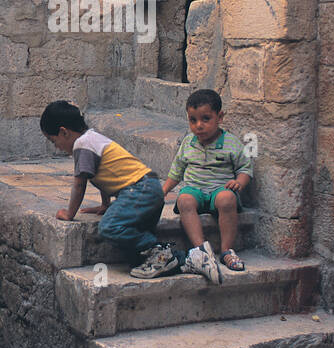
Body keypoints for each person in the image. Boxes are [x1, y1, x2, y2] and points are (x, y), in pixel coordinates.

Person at [39, 100, 180, 279]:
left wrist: (69, 213)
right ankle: (179, 260)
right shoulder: (93, 138)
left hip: (138, 190)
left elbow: (80, 184)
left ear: (63, 132)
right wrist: (105, 204)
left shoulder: (82, 145)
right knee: (134, 253)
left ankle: (161, 253)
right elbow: (104, 177)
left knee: (109, 226)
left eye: (53, 141)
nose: (56, 146)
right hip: (149, 188)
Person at [162, 88, 253, 283]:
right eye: (193, 120)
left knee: (227, 198)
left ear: (220, 117)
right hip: (194, 189)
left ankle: (227, 250)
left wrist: (239, 183)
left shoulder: (231, 143)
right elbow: (176, 171)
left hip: (219, 190)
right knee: (185, 200)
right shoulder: (188, 142)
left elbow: (245, 168)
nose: (198, 126)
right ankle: (201, 251)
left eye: (205, 119)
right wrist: (163, 190)